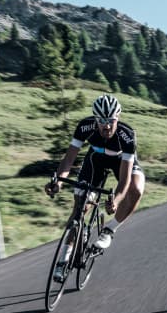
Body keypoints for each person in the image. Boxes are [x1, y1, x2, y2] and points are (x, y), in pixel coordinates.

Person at [45, 94, 146, 281]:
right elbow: (69, 159)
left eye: (111, 120)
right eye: (101, 121)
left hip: (121, 161)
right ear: (95, 118)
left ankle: (109, 230)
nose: (106, 126)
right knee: (80, 208)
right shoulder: (85, 126)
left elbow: (124, 180)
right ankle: (63, 258)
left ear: (118, 117)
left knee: (136, 189)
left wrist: (115, 200)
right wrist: (58, 181)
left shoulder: (127, 135)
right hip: (96, 160)